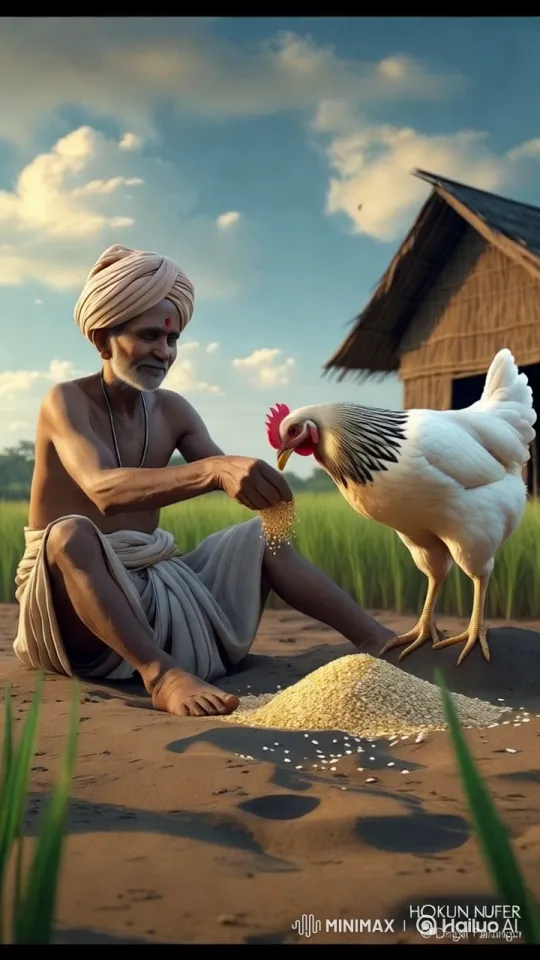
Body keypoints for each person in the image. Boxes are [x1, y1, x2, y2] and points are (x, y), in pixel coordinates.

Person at [13, 243, 396, 719]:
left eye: (172, 340)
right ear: (103, 340)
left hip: (154, 586)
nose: (164, 352)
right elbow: (102, 488)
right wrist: (214, 472)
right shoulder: (66, 400)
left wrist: (263, 485)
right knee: (69, 534)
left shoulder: (173, 409)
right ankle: (161, 675)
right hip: (72, 601)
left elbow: (224, 470)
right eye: (149, 336)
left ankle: (381, 642)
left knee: (261, 537)